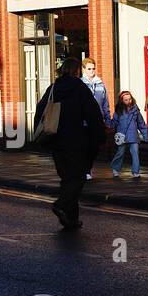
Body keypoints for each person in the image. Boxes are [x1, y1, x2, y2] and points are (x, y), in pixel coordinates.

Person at [35, 56, 105, 229]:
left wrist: (40, 135)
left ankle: (71, 219)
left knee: (67, 178)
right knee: (78, 178)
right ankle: (61, 204)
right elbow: (93, 114)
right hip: (76, 140)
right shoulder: (80, 88)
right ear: (77, 71)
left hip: (56, 141)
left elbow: (40, 110)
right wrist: (100, 136)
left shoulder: (54, 88)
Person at [81, 58, 112, 180]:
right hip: (83, 122)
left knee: (95, 147)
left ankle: (87, 167)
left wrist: (108, 120)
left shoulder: (101, 85)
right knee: (85, 146)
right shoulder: (80, 84)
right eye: (89, 69)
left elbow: (105, 104)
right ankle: (86, 170)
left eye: (93, 68)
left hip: (97, 121)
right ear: (84, 69)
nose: (92, 71)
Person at [110, 90, 148, 179]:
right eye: (126, 100)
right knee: (120, 153)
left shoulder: (136, 111)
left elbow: (141, 124)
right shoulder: (118, 111)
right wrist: (108, 124)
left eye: (130, 99)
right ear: (121, 100)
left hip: (133, 136)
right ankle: (115, 168)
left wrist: (145, 136)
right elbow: (114, 122)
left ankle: (136, 171)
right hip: (122, 136)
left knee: (135, 153)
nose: (128, 101)